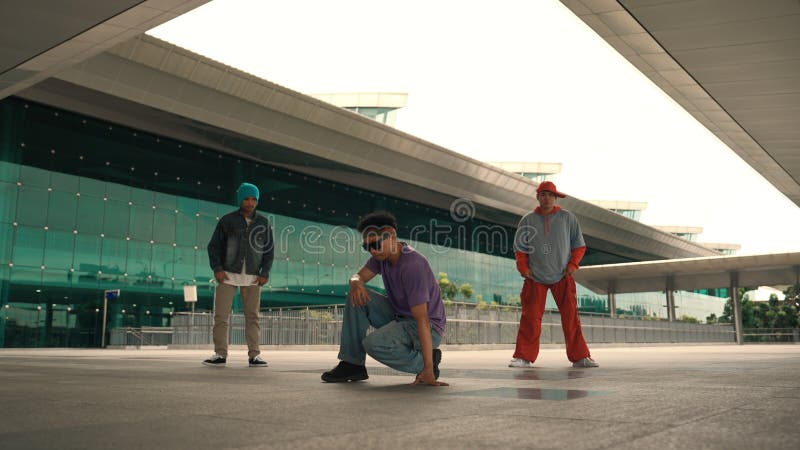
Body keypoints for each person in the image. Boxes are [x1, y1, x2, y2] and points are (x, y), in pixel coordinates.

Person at [322, 211, 448, 386]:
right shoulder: (381, 258)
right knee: (355, 297)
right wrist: (356, 283)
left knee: (373, 344)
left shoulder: (412, 265)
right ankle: (352, 364)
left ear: (392, 236)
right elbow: (357, 277)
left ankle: (428, 364)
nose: (373, 250)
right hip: (399, 317)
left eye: (376, 243)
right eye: (367, 247)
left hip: (428, 327)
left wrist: (426, 367)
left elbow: (423, 320)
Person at [509, 181, 598, 368]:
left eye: (550, 194)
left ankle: (580, 357)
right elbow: (520, 249)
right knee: (530, 318)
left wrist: (573, 265)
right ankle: (523, 357)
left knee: (571, 317)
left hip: (562, 275)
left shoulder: (568, 218)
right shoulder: (527, 220)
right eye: (543, 194)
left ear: (555, 198)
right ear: (537, 197)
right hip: (535, 277)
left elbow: (579, 246)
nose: (546, 198)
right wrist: (523, 269)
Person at [203, 182, 274, 367]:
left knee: (253, 317)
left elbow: (269, 251)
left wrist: (265, 272)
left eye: (253, 199)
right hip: (227, 275)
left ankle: (254, 355)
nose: (250, 203)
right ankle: (220, 354)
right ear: (240, 199)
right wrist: (217, 269)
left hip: (252, 278)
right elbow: (213, 246)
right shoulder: (227, 221)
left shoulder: (263, 223)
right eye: (246, 198)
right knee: (221, 316)